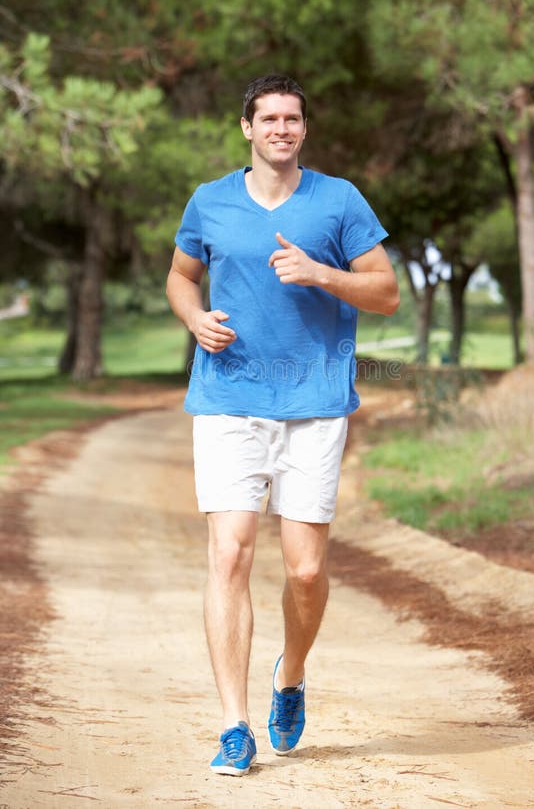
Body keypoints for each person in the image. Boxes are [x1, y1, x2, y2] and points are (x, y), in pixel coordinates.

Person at [166, 74, 399, 776]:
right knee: (229, 555)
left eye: (292, 119)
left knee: (305, 569)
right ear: (247, 127)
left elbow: (386, 292)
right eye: (268, 119)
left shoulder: (339, 200)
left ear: (304, 128)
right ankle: (234, 726)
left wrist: (322, 273)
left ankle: (290, 674)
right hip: (229, 399)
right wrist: (193, 317)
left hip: (314, 405)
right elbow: (180, 276)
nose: (281, 129)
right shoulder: (210, 201)